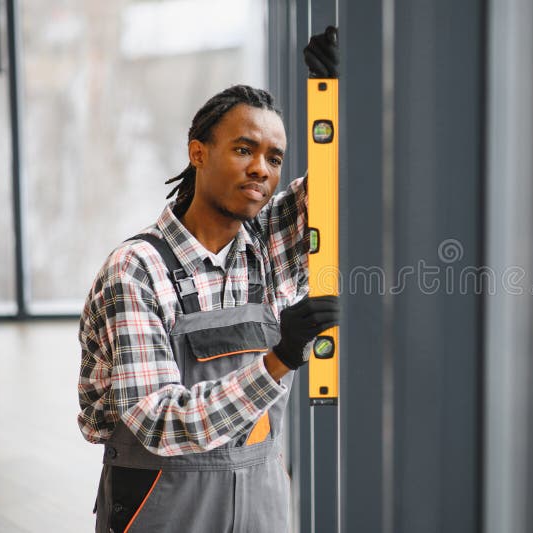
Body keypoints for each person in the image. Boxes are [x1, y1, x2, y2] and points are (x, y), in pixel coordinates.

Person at [78, 28, 340, 532]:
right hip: (165, 505)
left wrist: (339, 94)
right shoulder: (136, 270)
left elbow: (346, 182)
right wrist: (279, 359)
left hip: (262, 504)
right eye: (244, 149)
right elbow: (157, 420)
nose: (261, 169)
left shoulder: (266, 250)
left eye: (275, 158)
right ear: (198, 153)